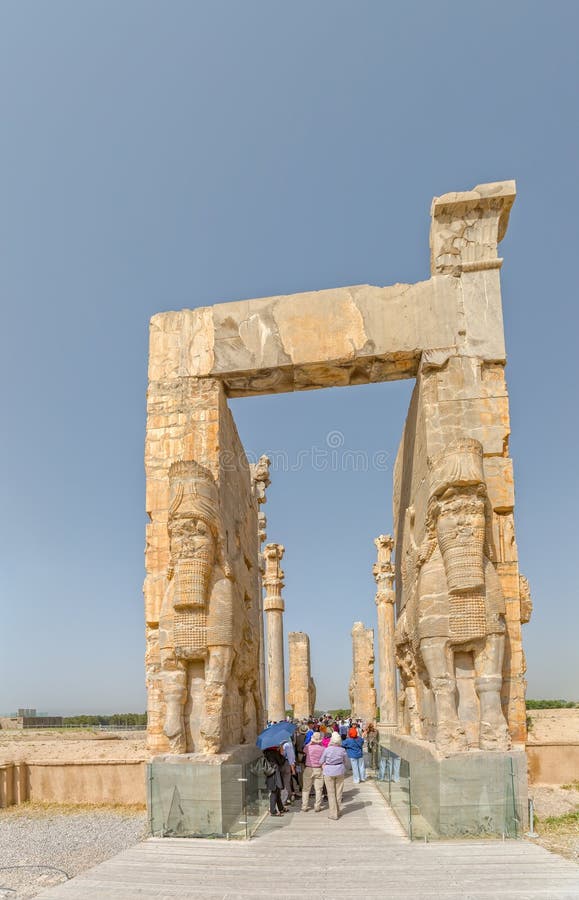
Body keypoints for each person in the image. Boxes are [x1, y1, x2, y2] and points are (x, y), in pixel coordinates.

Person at [320, 731, 348, 820]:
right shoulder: (342, 750)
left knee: (331, 793)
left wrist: (324, 764)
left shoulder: (327, 749)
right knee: (338, 792)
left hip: (329, 771)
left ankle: (333, 813)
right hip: (339, 770)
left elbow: (321, 761)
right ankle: (338, 811)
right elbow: (345, 761)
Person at [301, 731, 324, 812]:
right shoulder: (323, 748)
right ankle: (317, 806)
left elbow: (304, 750)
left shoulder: (308, 747)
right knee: (318, 789)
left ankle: (304, 806)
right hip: (318, 769)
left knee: (306, 789)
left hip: (308, 769)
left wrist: (311, 742)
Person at [263, 746, 285, 816]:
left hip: (270, 774)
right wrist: (281, 753)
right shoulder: (274, 753)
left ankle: (281, 808)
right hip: (275, 774)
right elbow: (281, 761)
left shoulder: (265, 752)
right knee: (274, 792)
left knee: (277, 791)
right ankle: (273, 811)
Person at [280, 737, 296, 805]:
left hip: (279, 764)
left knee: (281, 782)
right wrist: (293, 769)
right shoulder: (288, 744)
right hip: (286, 764)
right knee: (287, 782)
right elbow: (290, 758)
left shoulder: (278, 743)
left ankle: (283, 799)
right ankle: (285, 799)